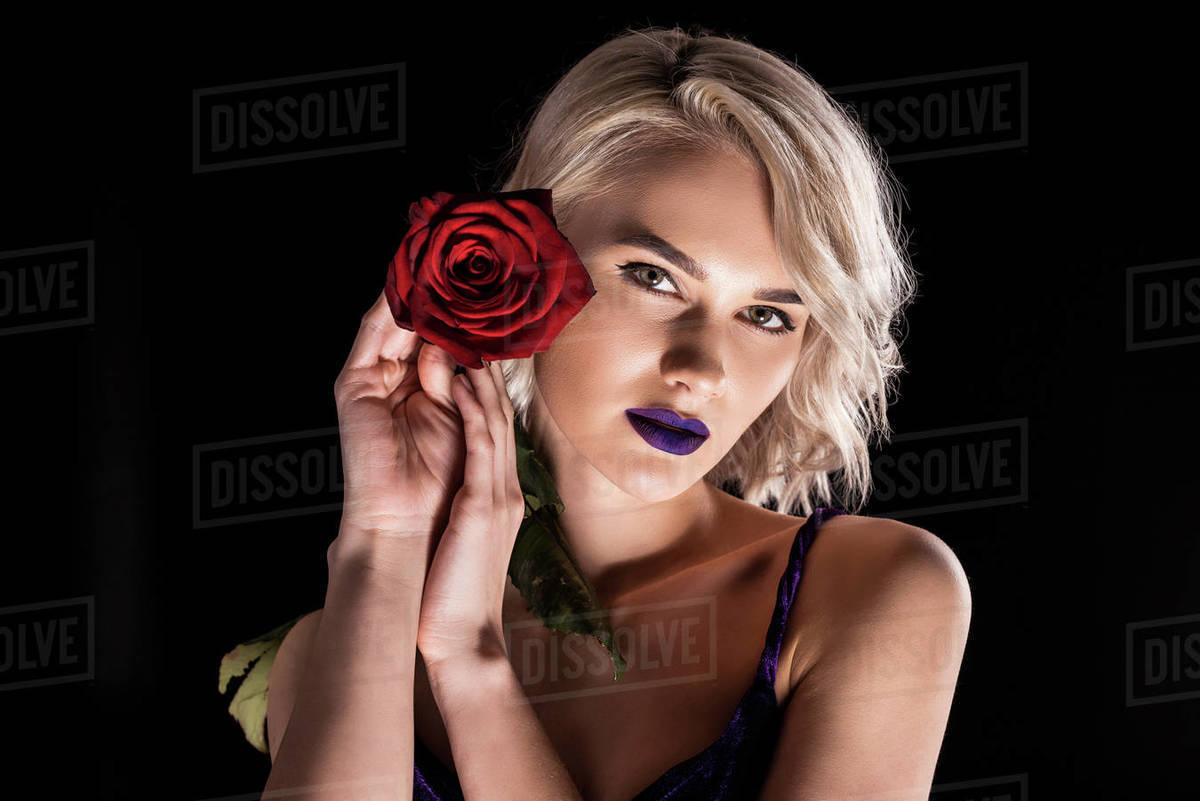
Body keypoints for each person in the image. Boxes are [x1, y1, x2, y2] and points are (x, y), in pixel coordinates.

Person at [260, 23, 971, 801]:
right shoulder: (331, 654)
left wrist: (471, 661)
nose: (701, 369)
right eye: (654, 276)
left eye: (768, 316)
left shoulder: (875, 590)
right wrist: (384, 544)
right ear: (527, 256)